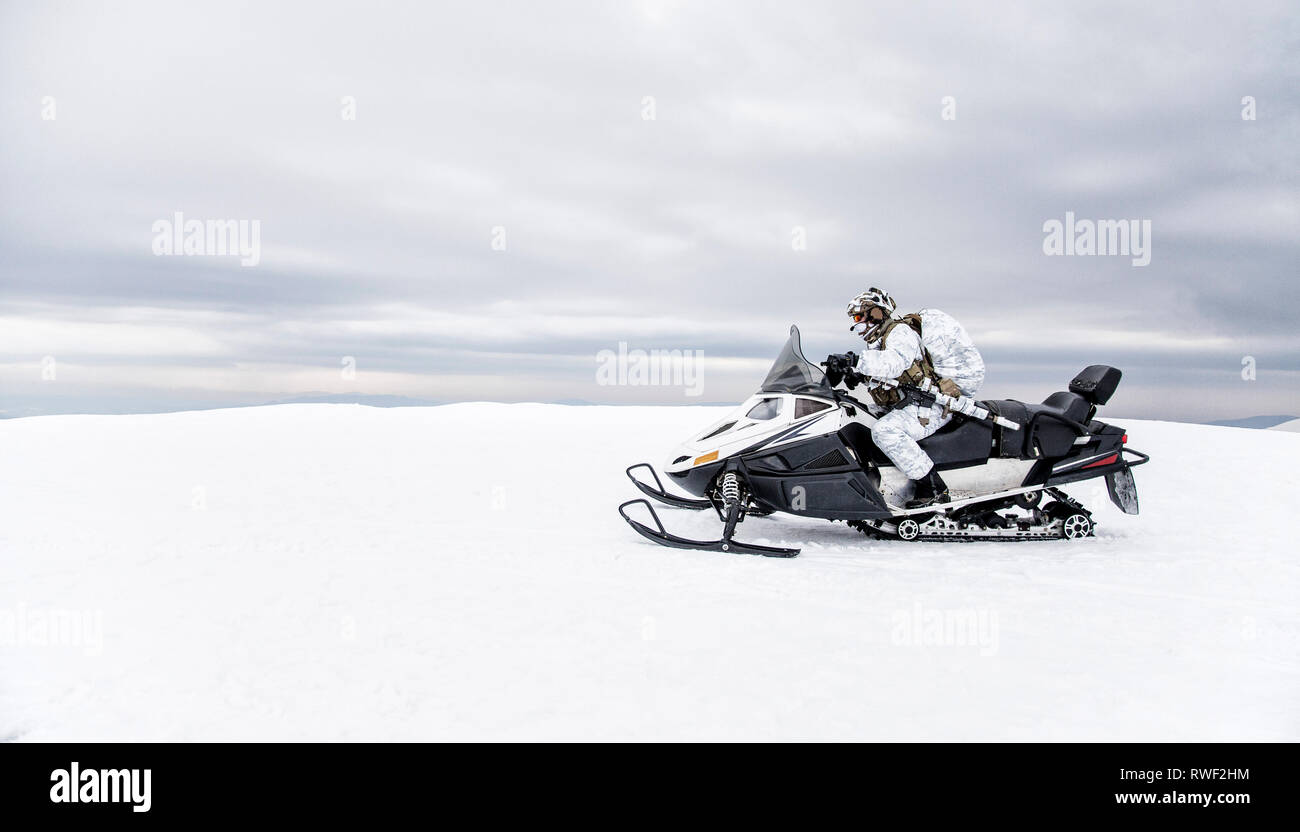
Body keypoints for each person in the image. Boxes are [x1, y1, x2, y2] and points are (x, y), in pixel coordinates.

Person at [841, 288, 984, 507]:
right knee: (861, 417)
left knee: (885, 431)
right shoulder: (880, 339)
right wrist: (857, 376)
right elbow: (894, 378)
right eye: (854, 319)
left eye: (859, 317)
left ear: (877, 313)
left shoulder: (899, 333)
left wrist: (856, 361)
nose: (856, 324)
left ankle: (934, 489)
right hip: (910, 403)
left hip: (931, 406)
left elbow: (895, 362)